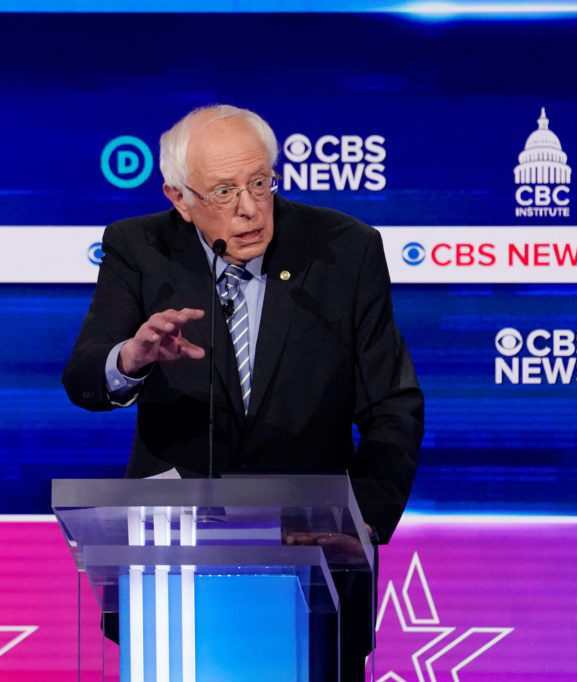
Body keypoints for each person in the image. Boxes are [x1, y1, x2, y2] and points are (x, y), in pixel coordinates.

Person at [63, 104, 424, 681]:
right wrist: (130, 359)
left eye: (260, 182)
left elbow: (392, 406)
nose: (251, 208)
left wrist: (361, 525)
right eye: (224, 192)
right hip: (172, 571)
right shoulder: (138, 247)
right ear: (180, 199)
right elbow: (84, 378)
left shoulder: (345, 249)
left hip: (316, 572)